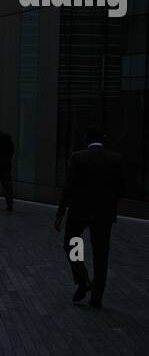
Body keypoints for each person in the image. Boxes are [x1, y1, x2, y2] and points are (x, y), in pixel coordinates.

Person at [54, 126, 124, 309]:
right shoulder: (115, 159)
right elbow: (120, 190)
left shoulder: (78, 157)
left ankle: (83, 278)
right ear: (103, 139)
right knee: (101, 254)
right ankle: (97, 296)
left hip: (79, 212)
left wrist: (60, 213)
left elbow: (68, 188)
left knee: (72, 243)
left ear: (87, 139)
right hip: (104, 214)